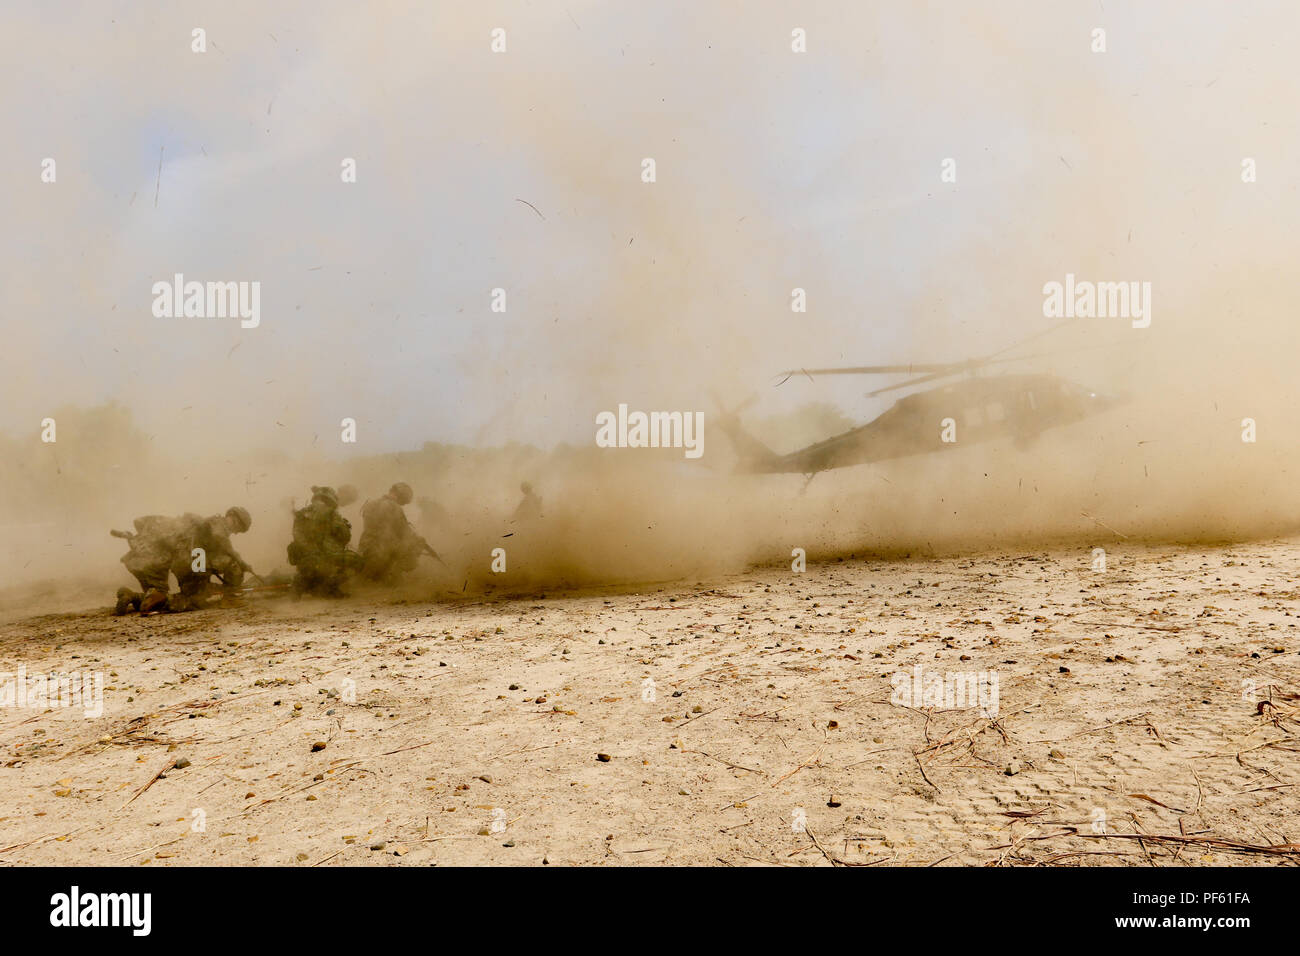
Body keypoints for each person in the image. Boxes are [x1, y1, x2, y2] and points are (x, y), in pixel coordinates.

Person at [114, 506, 252, 614]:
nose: (233, 530)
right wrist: (240, 561)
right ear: (230, 516)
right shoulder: (217, 522)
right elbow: (218, 538)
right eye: (235, 524)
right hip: (192, 563)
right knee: (233, 564)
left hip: (188, 564)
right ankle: (231, 599)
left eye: (237, 530)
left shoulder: (213, 527)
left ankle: (132, 596)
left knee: (192, 599)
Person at [287, 485, 360, 596]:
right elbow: (344, 536)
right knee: (357, 561)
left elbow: (296, 535)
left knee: (312, 567)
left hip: (304, 561)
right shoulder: (331, 513)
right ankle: (329, 588)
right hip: (326, 558)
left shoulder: (301, 513)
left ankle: (303, 583)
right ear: (330, 499)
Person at [358, 482, 434, 583]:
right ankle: (393, 575)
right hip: (381, 554)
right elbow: (405, 533)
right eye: (404, 501)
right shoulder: (394, 507)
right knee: (417, 543)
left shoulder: (371, 503)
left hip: (365, 551)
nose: (403, 504)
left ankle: (378, 574)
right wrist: (419, 541)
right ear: (401, 496)